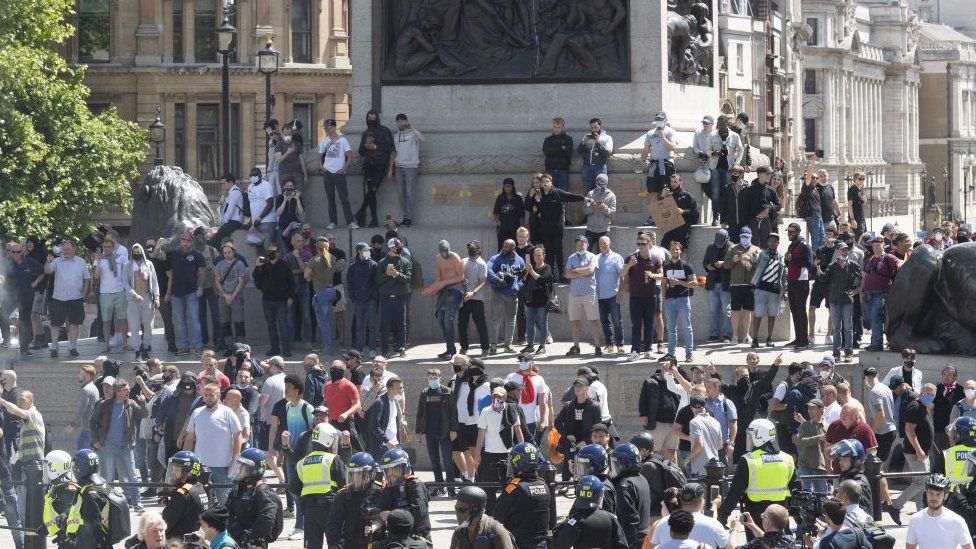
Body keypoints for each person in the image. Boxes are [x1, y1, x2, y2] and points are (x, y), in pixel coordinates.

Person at [717, 419, 798, 536]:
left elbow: (735, 492)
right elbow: (795, 487)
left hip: (755, 515)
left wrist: (723, 515)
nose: (749, 439)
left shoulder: (749, 460)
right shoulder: (787, 459)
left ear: (759, 436)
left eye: (751, 435)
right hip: (780, 514)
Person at [88, 378, 146, 511]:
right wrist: (95, 440)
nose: (129, 391)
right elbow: (92, 422)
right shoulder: (104, 404)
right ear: (117, 391)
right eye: (126, 389)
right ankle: (107, 502)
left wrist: (142, 402)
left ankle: (137, 502)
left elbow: (143, 414)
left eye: (128, 389)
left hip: (126, 446)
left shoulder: (131, 404)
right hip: (108, 445)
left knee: (131, 475)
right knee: (108, 475)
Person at [186, 382, 242, 505]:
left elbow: (238, 436)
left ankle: (226, 525)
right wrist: (187, 458)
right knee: (201, 503)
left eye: (211, 395)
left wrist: (234, 460)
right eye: (205, 395)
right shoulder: (197, 412)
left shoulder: (227, 412)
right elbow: (190, 436)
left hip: (223, 466)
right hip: (200, 466)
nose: (208, 397)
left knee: (225, 503)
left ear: (218, 395)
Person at [293, 423, 345, 549]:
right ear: (328, 441)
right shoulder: (333, 460)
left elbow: (294, 487)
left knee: (313, 545)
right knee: (335, 543)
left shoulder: (302, 462)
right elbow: (344, 485)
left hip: (309, 510)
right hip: (330, 508)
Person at [524, 173, 585, 280]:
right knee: (548, 253)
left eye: (547, 182)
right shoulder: (539, 194)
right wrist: (536, 200)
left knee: (558, 252)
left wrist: (584, 198)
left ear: (551, 182)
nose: (545, 183)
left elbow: (570, 196)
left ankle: (562, 275)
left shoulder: (557, 192)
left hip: (557, 229)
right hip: (544, 230)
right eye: (543, 182)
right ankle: (550, 276)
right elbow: (532, 209)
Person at [492, 442, 550, 549]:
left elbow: (497, 516)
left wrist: (506, 486)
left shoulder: (515, 488)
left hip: (520, 545)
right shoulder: (544, 486)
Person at [476, 386, 525, 512]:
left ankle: (506, 510)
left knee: (508, 485)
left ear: (505, 398)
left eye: (500, 396)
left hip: (507, 454)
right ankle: (491, 511)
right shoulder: (486, 411)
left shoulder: (511, 410)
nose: (497, 398)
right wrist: (477, 454)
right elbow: (481, 433)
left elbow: (518, 431)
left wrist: (523, 450)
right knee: (489, 486)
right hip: (490, 454)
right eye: (495, 396)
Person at [225, 448, 282, 548]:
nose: (239, 470)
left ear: (256, 469)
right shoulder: (240, 488)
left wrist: (249, 537)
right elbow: (226, 510)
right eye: (239, 466)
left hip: (253, 543)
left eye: (243, 467)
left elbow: (267, 519)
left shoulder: (262, 491)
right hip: (237, 539)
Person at [326, 452, 385, 548]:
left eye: (360, 474)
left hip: (377, 543)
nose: (355, 478)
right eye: (353, 474)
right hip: (351, 543)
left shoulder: (381, 491)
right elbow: (333, 525)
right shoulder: (343, 494)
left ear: (371, 473)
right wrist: (335, 546)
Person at [552, 475, 628, 549]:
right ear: (600, 496)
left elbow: (557, 544)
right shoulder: (610, 518)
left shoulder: (575, 521)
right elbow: (622, 545)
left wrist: (563, 523)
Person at [415, 367, 458, 496]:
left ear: (440, 378)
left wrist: (453, 429)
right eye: (431, 377)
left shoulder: (447, 392)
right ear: (428, 378)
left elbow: (453, 413)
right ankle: (439, 486)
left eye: (435, 377)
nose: (433, 380)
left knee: (448, 462)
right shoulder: (425, 393)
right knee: (434, 461)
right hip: (430, 432)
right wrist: (418, 432)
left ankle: (451, 489)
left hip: (445, 432)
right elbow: (420, 413)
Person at [44, 240, 91, 357]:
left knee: (74, 324)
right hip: (59, 298)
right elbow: (47, 270)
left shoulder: (81, 262)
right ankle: (54, 348)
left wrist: (84, 296)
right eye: (64, 250)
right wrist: (47, 261)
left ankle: (73, 347)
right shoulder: (57, 261)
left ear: (74, 249)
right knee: (55, 324)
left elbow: (87, 279)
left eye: (68, 249)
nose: (66, 252)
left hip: (76, 298)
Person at [621, 232, 664, 360]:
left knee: (650, 323)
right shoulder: (631, 258)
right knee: (636, 324)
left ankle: (649, 349)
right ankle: (635, 350)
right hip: (635, 297)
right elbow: (621, 273)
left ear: (649, 244)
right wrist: (629, 266)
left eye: (643, 244)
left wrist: (652, 275)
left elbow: (661, 275)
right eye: (638, 244)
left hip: (651, 296)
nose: (640, 246)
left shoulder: (655, 259)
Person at [374, 447, 431, 540]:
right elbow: (381, 513)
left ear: (404, 468)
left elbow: (418, 512)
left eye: (394, 469)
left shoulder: (415, 485)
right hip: (395, 537)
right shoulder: (387, 489)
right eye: (388, 470)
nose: (391, 473)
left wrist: (392, 514)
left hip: (418, 536)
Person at [164, 233, 206, 355]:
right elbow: (157, 255)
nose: (185, 243)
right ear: (180, 242)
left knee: (194, 319)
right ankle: (184, 346)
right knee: (180, 321)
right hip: (176, 293)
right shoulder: (173, 254)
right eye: (183, 241)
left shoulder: (197, 255)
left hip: (192, 292)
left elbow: (202, 272)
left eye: (187, 241)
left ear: (192, 242)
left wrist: (201, 288)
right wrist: (158, 246)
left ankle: (198, 346)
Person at [906, 474, 974, 549]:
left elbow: (968, 547)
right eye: (931, 493)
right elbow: (910, 547)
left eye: (938, 494)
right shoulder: (915, 519)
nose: (934, 497)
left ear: (945, 495)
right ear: (926, 493)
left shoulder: (956, 521)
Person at [252, 243, 295, 357]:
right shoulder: (264, 265)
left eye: (274, 251)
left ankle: (286, 349)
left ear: (278, 253)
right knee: (271, 325)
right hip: (267, 300)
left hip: (281, 300)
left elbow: (291, 283)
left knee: (283, 325)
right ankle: (275, 348)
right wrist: (257, 266)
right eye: (269, 251)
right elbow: (256, 277)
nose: (271, 253)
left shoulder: (284, 265)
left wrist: (290, 297)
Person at [565, 235, 603, 356]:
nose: (580, 246)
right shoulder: (571, 257)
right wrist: (583, 272)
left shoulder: (592, 256)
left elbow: (591, 271)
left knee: (593, 321)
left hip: (589, 293)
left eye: (582, 244)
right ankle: (576, 346)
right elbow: (567, 275)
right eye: (577, 244)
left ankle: (597, 346)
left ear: (587, 244)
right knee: (575, 322)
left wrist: (575, 270)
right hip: (574, 294)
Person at [355, 110, 395, 228]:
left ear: (377, 118)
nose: (371, 119)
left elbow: (390, 148)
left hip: (380, 164)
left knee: (373, 189)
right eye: (369, 118)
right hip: (368, 164)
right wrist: (365, 145)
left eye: (373, 117)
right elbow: (361, 152)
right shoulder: (365, 133)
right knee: (372, 192)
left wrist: (375, 146)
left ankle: (361, 211)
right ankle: (374, 219)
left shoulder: (385, 130)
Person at [317, 118, 358, 229]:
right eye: (325, 127)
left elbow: (350, 156)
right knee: (330, 198)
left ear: (334, 127)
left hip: (339, 173)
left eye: (328, 127)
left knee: (344, 198)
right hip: (328, 172)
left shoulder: (342, 140)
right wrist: (321, 167)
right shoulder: (324, 141)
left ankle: (350, 221)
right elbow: (319, 156)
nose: (326, 129)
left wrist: (344, 168)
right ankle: (333, 221)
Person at [454, 360, 491, 483]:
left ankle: (481, 479)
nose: (468, 369)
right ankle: (471, 478)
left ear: (479, 369)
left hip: (478, 423)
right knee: (468, 452)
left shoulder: (486, 386)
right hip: (466, 422)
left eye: (471, 367)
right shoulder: (468, 383)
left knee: (476, 453)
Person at [608, 443, 651, 548]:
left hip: (633, 539)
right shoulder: (640, 477)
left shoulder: (625, 485)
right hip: (644, 534)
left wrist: (626, 545)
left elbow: (629, 520)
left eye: (615, 462)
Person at [824, 242, 861, 362]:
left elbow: (861, 277)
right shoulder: (832, 266)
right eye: (842, 250)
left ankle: (848, 353)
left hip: (847, 300)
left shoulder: (854, 265)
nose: (844, 252)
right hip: (834, 299)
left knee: (848, 328)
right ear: (837, 251)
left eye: (846, 250)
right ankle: (836, 353)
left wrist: (856, 289)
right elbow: (823, 279)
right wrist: (818, 268)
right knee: (836, 328)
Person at [486, 239, 524, 355]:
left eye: (507, 247)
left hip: (512, 295)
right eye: (504, 245)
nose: (504, 248)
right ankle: (493, 345)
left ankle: (508, 345)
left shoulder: (519, 260)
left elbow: (521, 277)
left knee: (511, 321)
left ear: (513, 248)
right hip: (498, 293)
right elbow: (488, 269)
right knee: (496, 320)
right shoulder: (496, 258)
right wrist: (497, 279)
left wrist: (518, 286)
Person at [863, 236, 900, 351]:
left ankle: (877, 345)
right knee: (872, 319)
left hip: (881, 294)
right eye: (874, 245)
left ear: (883, 245)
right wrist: (861, 291)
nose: (875, 247)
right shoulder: (870, 259)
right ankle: (875, 342)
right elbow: (864, 276)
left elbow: (900, 263)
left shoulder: (888, 257)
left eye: (878, 245)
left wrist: (900, 264)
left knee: (876, 318)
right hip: (868, 294)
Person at [724, 226, 760, 344]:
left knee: (748, 311)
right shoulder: (733, 248)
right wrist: (733, 260)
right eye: (743, 236)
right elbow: (725, 265)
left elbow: (760, 266)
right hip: (736, 285)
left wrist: (750, 259)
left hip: (750, 285)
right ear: (739, 236)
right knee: (735, 310)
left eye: (747, 237)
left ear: (751, 237)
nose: (745, 238)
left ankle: (746, 335)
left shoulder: (756, 249)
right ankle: (734, 336)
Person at [662, 240, 697, 362]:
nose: (675, 251)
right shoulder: (666, 266)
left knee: (687, 327)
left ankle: (689, 353)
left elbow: (694, 283)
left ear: (680, 251)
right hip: (670, 301)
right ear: (670, 251)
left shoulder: (687, 265)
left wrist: (679, 282)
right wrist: (664, 298)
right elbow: (663, 283)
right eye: (673, 249)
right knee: (671, 328)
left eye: (677, 249)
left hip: (683, 299)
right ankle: (671, 353)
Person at [376, 238, 412, 358]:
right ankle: (385, 349)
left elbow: (408, 279)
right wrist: (386, 274)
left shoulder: (405, 261)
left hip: (400, 297)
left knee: (401, 323)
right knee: (385, 324)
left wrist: (397, 274)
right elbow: (377, 280)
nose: (396, 249)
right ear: (389, 248)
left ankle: (402, 346)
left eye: (398, 247)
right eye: (394, 247)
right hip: (386, 298)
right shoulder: (381, 262)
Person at [160, 451, 208, 539]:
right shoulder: (199, 488)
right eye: (173, 469)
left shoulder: (182, 494)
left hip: (179, 543)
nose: (173, 473)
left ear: (188, 472)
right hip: (196, 540)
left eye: (177, 469)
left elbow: (165, 523)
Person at [450, 485, 516, 549]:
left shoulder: (495, 531)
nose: (457, 514)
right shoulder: (459, 532)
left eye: (462, 510)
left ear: (476, 511)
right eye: (456, 508)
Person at [749, 232, 785, 348]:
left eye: (775, 241)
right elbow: (754, 260)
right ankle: (755, 339)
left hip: (774, 290)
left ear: (778, 243)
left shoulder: (781, 257)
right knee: (758, 315)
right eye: (770, 241)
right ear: (767, 242)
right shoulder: (762, 253)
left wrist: (785, 290)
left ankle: (769, 339)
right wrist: (754, 255)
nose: (772, 243)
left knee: (772, 315)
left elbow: (784, 275)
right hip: (761, 288)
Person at [389, 114, 425, 227]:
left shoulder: (413, 134)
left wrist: (412, 128)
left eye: (402, 121)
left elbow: (423, 139)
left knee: (409, 193)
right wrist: (390, 169)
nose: (400, 123)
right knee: (401, 194)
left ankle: (408, 217)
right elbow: (393, 153)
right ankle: (405, 216)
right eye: (398, 122)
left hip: (411, 166)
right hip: (398, 166)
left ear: (406, 121)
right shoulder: (395, 136)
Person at [708, 115, 744, 226]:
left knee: (728, 193)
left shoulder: (734, 136)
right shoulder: (712, 135)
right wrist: (713, 153)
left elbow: (741, 149)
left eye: (722, 124)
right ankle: (715, 217)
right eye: (719, 124)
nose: (720, 126)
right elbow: (707, 149)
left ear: (727, 124)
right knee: (715, 194)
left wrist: (737, 162)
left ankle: (726, 217)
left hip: (729, 168)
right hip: (715, 168)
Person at [640, 112, 678, 215]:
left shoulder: (670, 132)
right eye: (657, 120)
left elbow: (673, 148)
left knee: (666, 190)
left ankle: (669, 216)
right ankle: (653, 217)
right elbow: (646, 149)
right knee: (653, 191)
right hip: (654, 164)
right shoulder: (650, 133)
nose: (659, 122)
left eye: (661, 119)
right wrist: (643, 159)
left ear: (666, 120)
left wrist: (664, 138)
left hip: (666, 163)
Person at [784, 223, 814, 349]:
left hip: (801, 282)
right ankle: (798, 338)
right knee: (794, 310)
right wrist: (786, 260)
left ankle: (804, 340)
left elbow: (809, 263)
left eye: (791, 231)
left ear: (798, 232)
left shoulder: (804, 245)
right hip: (791, 281)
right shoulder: (791, 245)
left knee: (801, 311)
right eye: (788, 231)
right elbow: (789, 264)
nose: (789, 234)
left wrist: (793, 259)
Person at [521, 244, 554, 356]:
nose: (537, 257)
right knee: (529, 323)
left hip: (543, 300)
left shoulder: (547, 267)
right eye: (535, 255)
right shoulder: (531, 267)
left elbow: (541, 280)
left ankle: (542, 345)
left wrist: (531, 272)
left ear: (544, 256)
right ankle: (530, 345)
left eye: (539, 255)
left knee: (543, 323)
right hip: (531, 299)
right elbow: (524, 280)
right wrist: (527, 271)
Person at [41, 450, 78, 548]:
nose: (45, 470)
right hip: (65, 537)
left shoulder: (68, 488)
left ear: (55, 469)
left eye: (47, 466)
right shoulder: (58, 486)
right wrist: (47, 527)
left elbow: (69, 512)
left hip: (72, 540)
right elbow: (57, 512)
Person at [594, 236, 625, 354]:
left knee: (617, 321)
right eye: (600, 243)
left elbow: (622, 276)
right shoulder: (596, 258)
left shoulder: (616, 258)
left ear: (610, 244)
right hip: (600, 295)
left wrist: (620, 291)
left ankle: (620, 344)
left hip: (613, 294)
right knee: (604, 321)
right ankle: (609, 344)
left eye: (605, 243)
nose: (602, 245)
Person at [703, 229, 732, 343]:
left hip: (726, 283)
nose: (718, 245)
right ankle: (714, 335)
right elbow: (705, 262)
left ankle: (727, 335)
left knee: (726, 310)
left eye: (720, 243)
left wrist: (723, 264)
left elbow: (734, 264)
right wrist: (708, 267)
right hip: (713, 283)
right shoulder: (710, 247)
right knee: (713, 310)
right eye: (717, 243)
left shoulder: (731, 248)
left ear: (726, 240)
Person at [796, 398, 829, 494]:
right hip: (805, 466)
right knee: (805, 496)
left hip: (821, 467)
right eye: (809, 408)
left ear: (821, 410)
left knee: (822, 496)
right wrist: (818, 437)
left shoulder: (827, 427)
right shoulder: (805, 425)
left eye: (813, 408)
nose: (810, 411)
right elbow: (801, 441)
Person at [660, 175, 699, 252]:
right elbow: (660, 211)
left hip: (683, 227)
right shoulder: (668, 195)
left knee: (682, 250)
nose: (673, 184)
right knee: (664, 247)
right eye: (671, 181)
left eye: (675, 181)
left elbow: (695, 212)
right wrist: (662, 197)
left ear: (681, 182)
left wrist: (683, 211)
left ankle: (683, 264)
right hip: (670, 226)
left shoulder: (687, 196)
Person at [580, 117, 615, 194]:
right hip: (587, 167)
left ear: (600, 126)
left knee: (601, 190)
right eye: (592, 128)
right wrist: (583, 142)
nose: (594, 130)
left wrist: (597, 142)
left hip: (600, 166)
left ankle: (600, 206)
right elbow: (579, 151)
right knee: (587, 190)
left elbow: (607, 153)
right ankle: (589, 206)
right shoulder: (587, 136)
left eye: (596, 127)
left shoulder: (607, 138)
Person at [584, 174, 617, 250]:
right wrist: (593, 208)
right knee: (587, 251)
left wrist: (603, 207)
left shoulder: (611, 196)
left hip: (604, 229)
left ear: (606, 182)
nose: (600, 182)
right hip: (590, 228)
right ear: (596, 181)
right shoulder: (590, 193)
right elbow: (585, 210)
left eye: (603, 181)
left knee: (603, 252)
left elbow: (612, 213)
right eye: (599, 181)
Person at [494, 178, 525, 251]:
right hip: (503, 229)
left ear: (513, 187)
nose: (507, 188)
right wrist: (499, 223)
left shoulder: (518, 198)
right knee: (502, 249)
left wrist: (521, 228)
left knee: (515, 249)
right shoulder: (500, 198)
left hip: (515, 228)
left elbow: (521, 215)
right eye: (505, 186)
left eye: (509, 186)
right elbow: (495, 213)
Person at [544, 118, 574, 193]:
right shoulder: (548, 139)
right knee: (550, 193)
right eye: (555, 127)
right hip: (550, 170)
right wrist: (561, 147)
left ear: (563, 128)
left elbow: (568, 153)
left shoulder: (568, 139)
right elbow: (547, 152)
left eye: (558, 127)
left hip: (563, 170)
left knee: (563, 194)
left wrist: (554, 149)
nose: (556, 129)